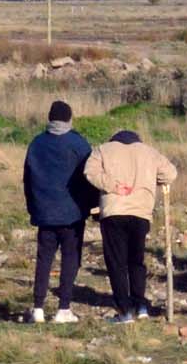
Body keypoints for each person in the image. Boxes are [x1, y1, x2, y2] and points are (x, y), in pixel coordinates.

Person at [84, 126, 175, 320]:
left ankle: (124, 311)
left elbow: (89, 173)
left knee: (116, 262)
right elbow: (170, 174)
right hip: (141, 212)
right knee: (136, 260)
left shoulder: (103, 149)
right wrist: (151, 180)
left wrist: (112, 186)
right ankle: (140, 305)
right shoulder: (150, 152)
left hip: (113, 212)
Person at [22, 99, 95, 323]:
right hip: (73, 213)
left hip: (44, 212)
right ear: (69, 118)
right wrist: (91, 206)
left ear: (49, 119)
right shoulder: (79, 144)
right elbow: (90, 177)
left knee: (44, 259)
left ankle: (38, 308)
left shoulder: (36, 144)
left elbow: (27, 179)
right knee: (70, 259)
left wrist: (33, 207)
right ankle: (64, 308)